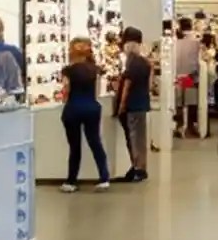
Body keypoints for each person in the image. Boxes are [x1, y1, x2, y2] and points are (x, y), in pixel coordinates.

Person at [60, 38, 110, 191]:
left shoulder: (68, 70)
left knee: (75, 147)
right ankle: (104, 177)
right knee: (95, 142)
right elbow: (97, 91)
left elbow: (66, 90)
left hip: (73, 108)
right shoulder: (95, 69)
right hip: (91, 107)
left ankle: (71, 181)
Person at [115, 27, 151, 183]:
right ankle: (138, 166)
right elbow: (149, 84)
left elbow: (127, 85)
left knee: (134, 137)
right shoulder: (145, 62)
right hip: (141, 103)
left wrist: (121, 105)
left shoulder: (131, 63)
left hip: (133, 105)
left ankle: (138, 168)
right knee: (139, 138)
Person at [173, 17, 200, 138]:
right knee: (190, 102)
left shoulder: (175, 41)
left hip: (178, 75)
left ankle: (178, 126)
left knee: (179, 102)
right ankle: (190, 127)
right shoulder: (195, 41)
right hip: (190, 75)